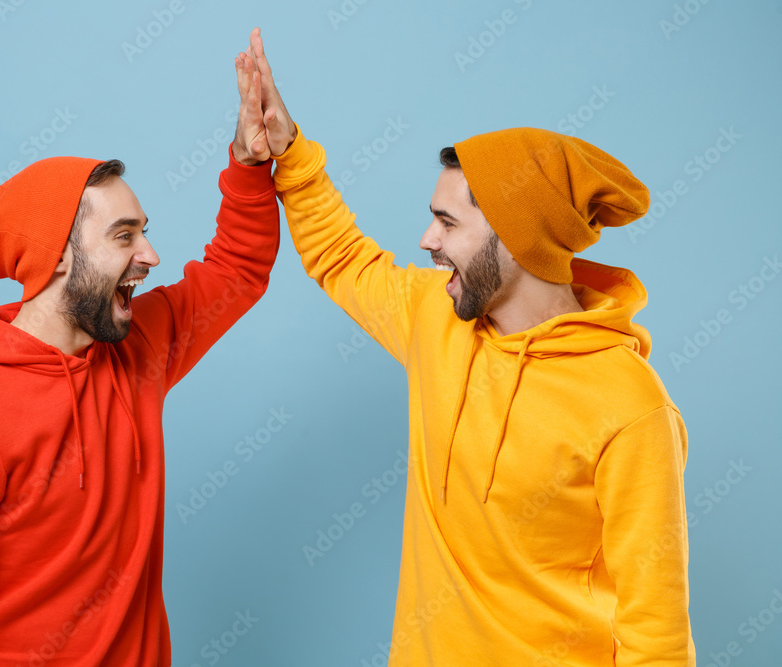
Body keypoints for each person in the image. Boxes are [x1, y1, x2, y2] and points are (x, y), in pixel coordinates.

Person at [239, 27, 695, 666]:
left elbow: (658, 637)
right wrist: (289, 149)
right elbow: (341, 257)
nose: (426, 239)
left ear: (518, 239)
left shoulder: (631, 409)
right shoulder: (437, 318)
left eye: (447, 222)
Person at [0, 49, 281, 665]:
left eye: (143, 231)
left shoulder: (134, 348)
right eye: (124, 236)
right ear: (56, 257)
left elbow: (237, 270)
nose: (150, 255)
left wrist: (251, 163)